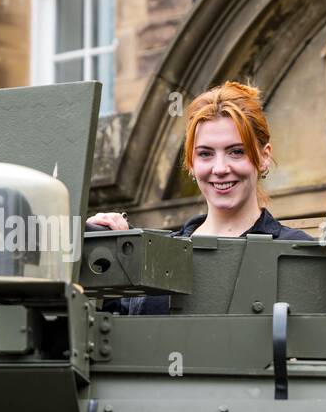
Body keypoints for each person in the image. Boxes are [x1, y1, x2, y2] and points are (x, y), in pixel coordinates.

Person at [88, 81, 312, 315]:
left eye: (236, 152)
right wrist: (106, 252)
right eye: (205, 154)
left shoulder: (298, 253)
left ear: (264, 157)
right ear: (191, 164)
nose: (220, 168)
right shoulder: (153, 261)